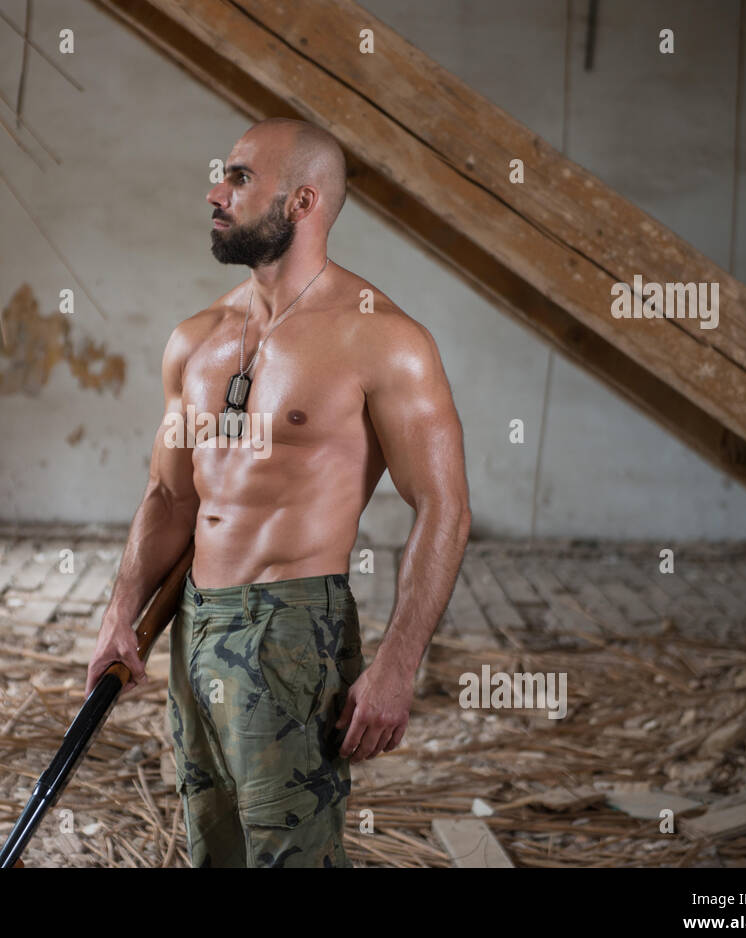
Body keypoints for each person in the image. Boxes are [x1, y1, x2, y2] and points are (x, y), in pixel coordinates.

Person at [85, 117, 471, 867]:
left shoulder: (385, 339)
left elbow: (444, 507)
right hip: (195, 622)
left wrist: (397, 661)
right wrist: (119, 612)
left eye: (237, 178)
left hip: (294, 629)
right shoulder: (197, 337)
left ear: (302, 202)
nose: (214, 192)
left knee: (292, 856)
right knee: (215, 850)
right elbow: (169, 498)